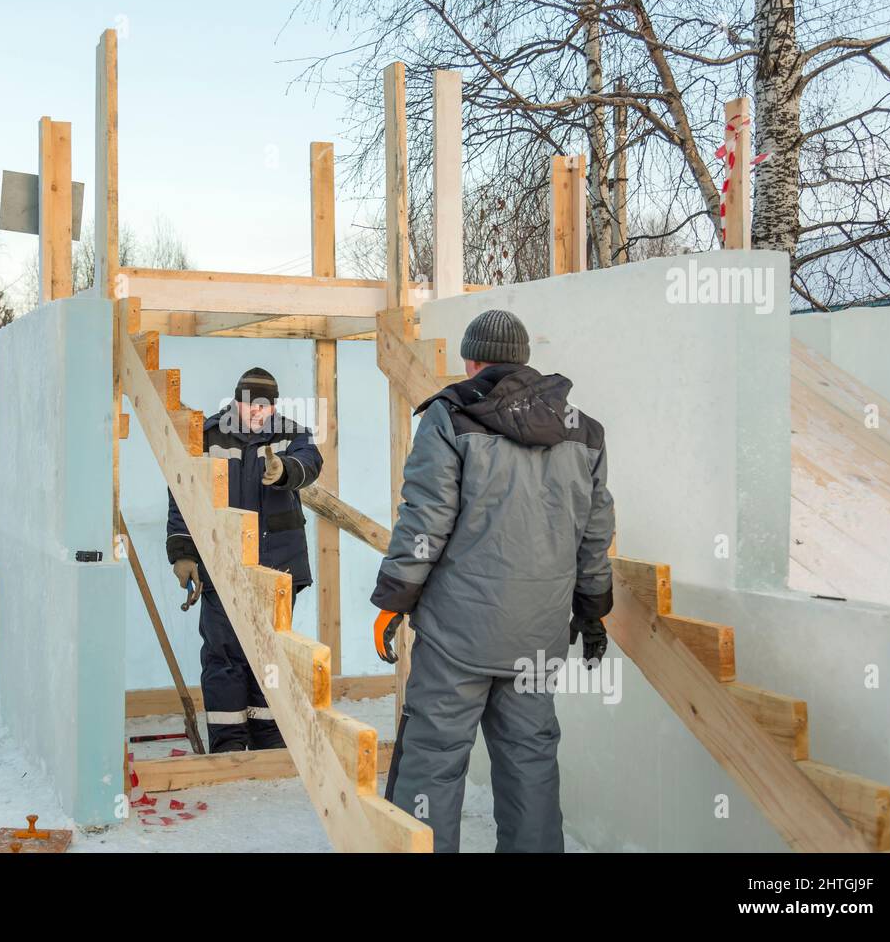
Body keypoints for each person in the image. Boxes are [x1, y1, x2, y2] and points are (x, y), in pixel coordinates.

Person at [371, 308, 614, 853]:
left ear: (471, 359)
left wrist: (393, 600)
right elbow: (595, 532)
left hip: (458, 636)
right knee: (530, 764)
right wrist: (593, 609)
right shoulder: (585, 431)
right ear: (523, 360)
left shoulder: (449, 418)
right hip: (537, 634)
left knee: (432, 761)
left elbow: (425, 520)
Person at [166, 367, 323, 753]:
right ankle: (228, 743)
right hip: (222, 565)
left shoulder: (291, 433)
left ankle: (268, 736)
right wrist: (183, 552)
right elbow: (182, 495)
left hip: (278, 566)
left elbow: (310, 461)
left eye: (264, 406)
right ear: (236, 400)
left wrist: (285, 469)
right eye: (249, 404)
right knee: (224, 654)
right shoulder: (208, 436)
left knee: (269, 653)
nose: (256, 413)